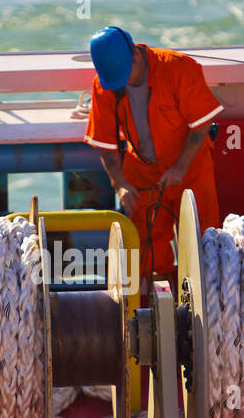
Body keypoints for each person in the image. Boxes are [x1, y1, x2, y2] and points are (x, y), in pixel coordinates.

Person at [84, 26, 223, 280]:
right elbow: (105, 144)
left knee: (204, 245)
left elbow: (201, 124)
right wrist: (120, 184)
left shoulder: (178, 68)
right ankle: (156, 308)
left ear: (136, 55)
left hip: (190, 168)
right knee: (145, 252)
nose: (121, 84)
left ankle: (203, 306)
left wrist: (180, 167)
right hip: (142, 174)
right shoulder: (104, 85)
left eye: (125, 76)